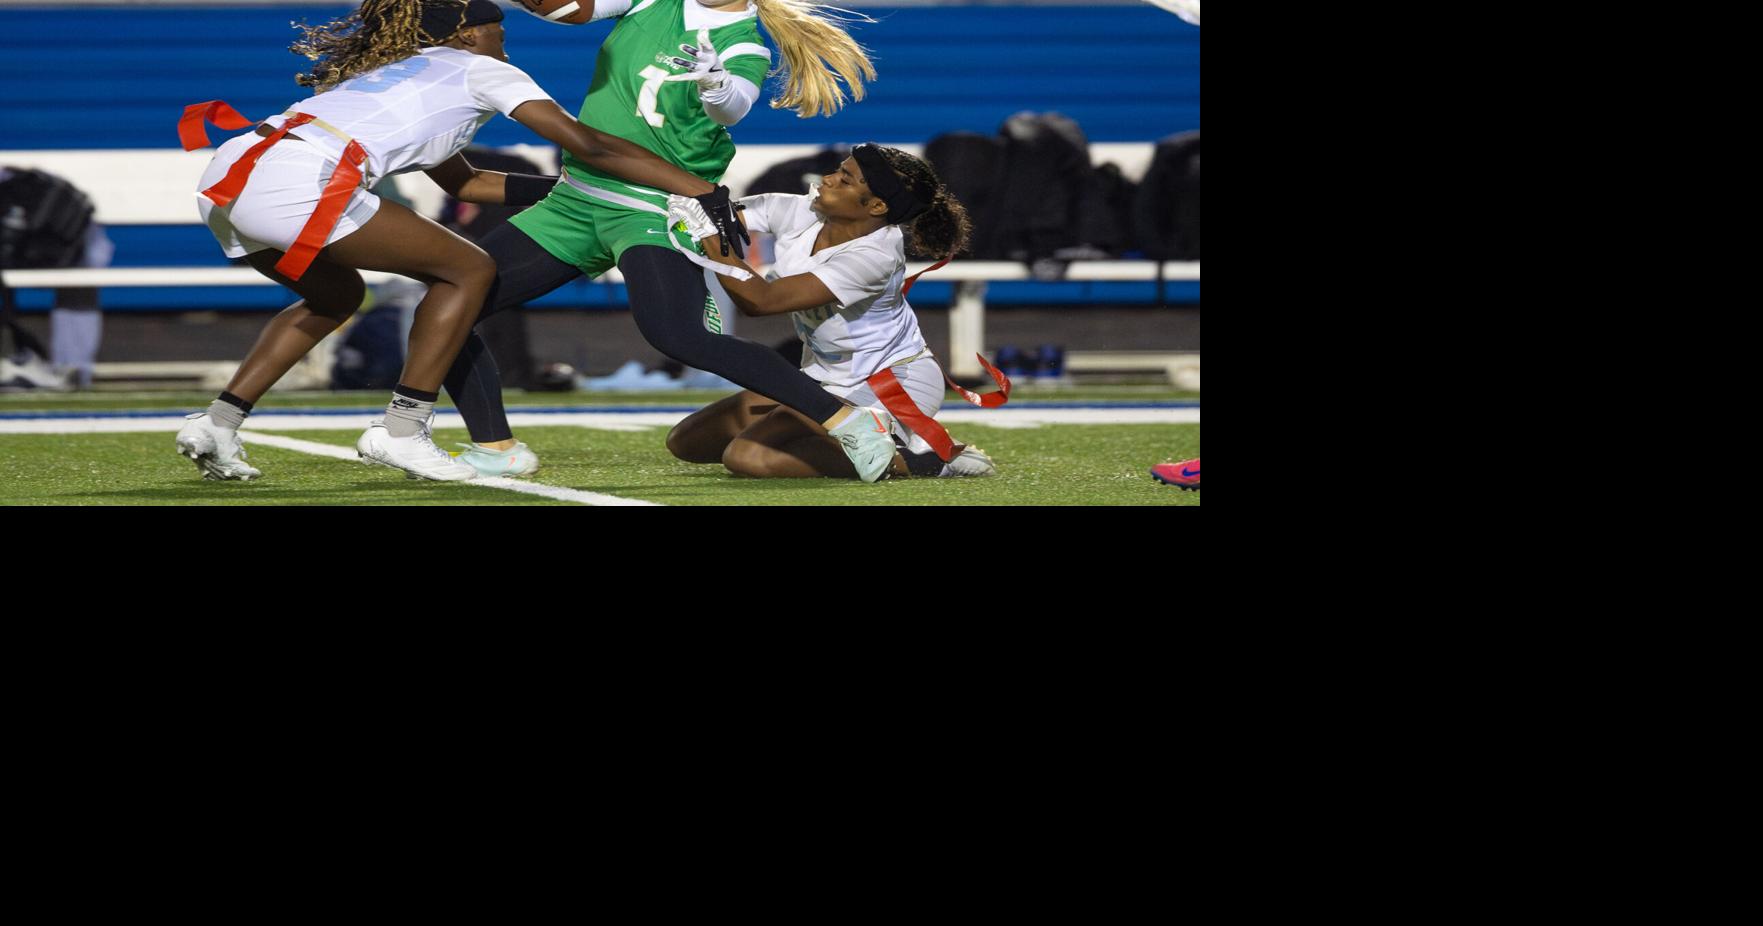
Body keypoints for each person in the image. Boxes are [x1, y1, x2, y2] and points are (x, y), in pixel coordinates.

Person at [172, 0, 727, 481]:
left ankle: (218, 423)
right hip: (300, 180)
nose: (505, 45)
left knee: (334, 298)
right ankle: (403, 429)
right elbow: (590, 144)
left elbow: (469, 184)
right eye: (499, 34)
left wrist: (569, 192)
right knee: (469, 269)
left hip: (231, 176)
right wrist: (698, 189)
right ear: (468, 36)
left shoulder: (407, 71)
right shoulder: (482, 70)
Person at [440, 0, 903, 482]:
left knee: (680, 337)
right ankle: (494, 446)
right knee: (450, 304)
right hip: (576, 197)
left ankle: (847, 419)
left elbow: (732, 109)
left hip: (654, 205)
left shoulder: (744, 42)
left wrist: (716, 83)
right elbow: (569, 9)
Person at [666, 144, 1000, 479]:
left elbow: (760, 301)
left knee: (748, 456)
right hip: (825, 376)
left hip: (889, 383)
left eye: (845, 179)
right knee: (687, 442)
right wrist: (692, 212)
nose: (828, 179)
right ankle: (863, 440)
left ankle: (923, 461)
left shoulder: (875, 255)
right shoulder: (803, 210)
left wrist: (712, 239)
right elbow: (720, 214)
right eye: (839, 170)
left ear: (877, 206)